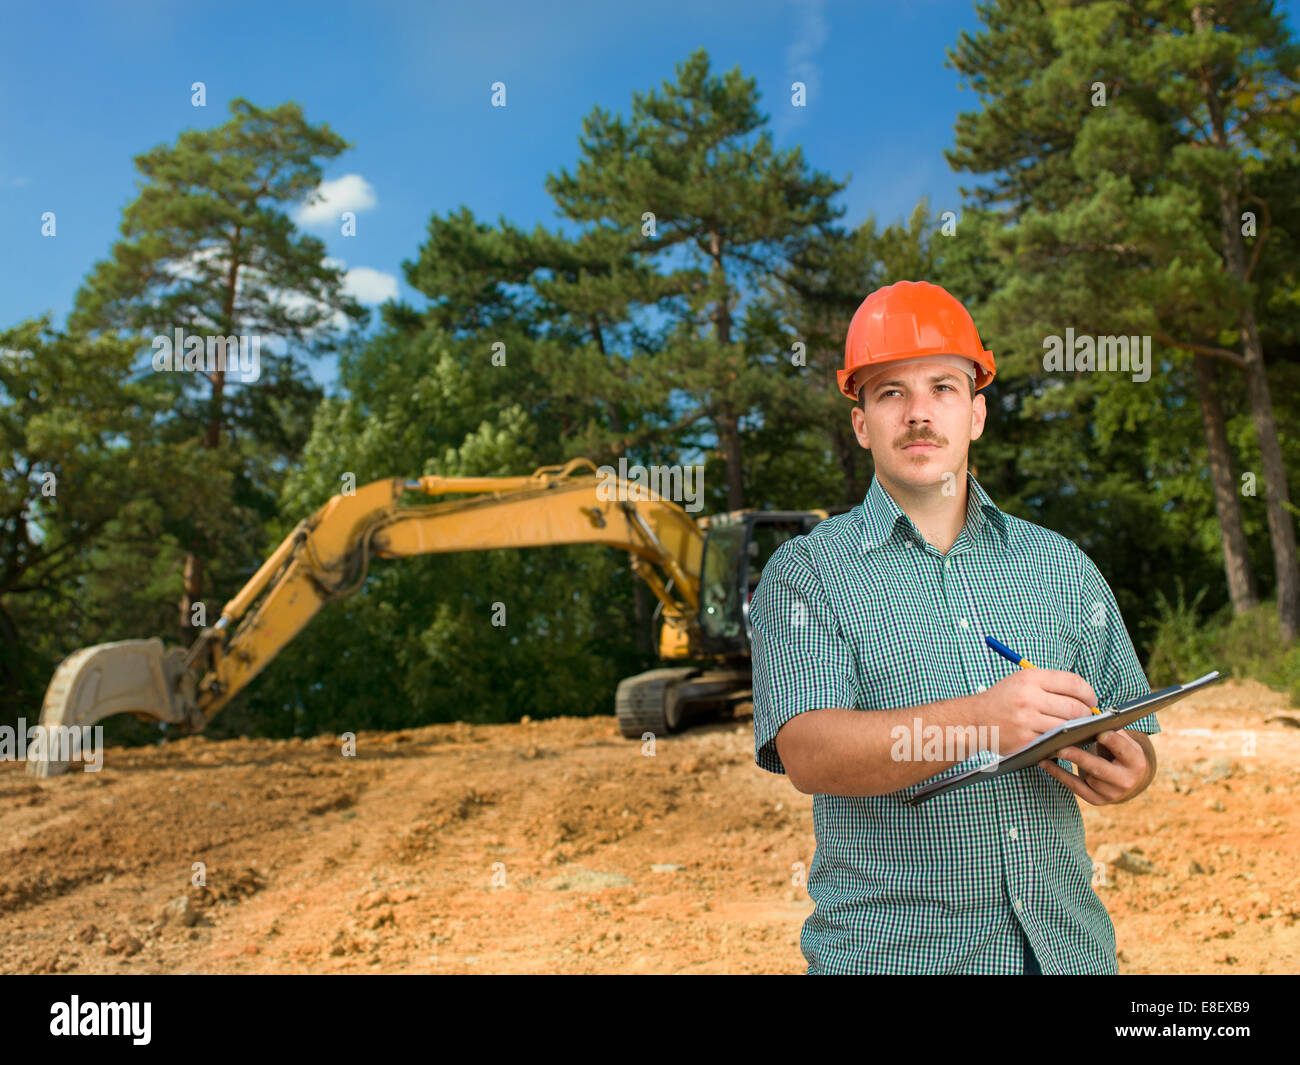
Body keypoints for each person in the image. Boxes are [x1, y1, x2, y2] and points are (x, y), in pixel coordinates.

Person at [748, 279, 1159, 975]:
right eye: (890, 393)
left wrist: (1130, 769)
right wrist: (979, 721)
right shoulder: (807, 573)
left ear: (976, 413)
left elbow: (1135, 734)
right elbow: (808, 751)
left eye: (942, 386)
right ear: (861, 424)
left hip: (1067, 956)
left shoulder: (1061, 566)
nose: (918, 413)